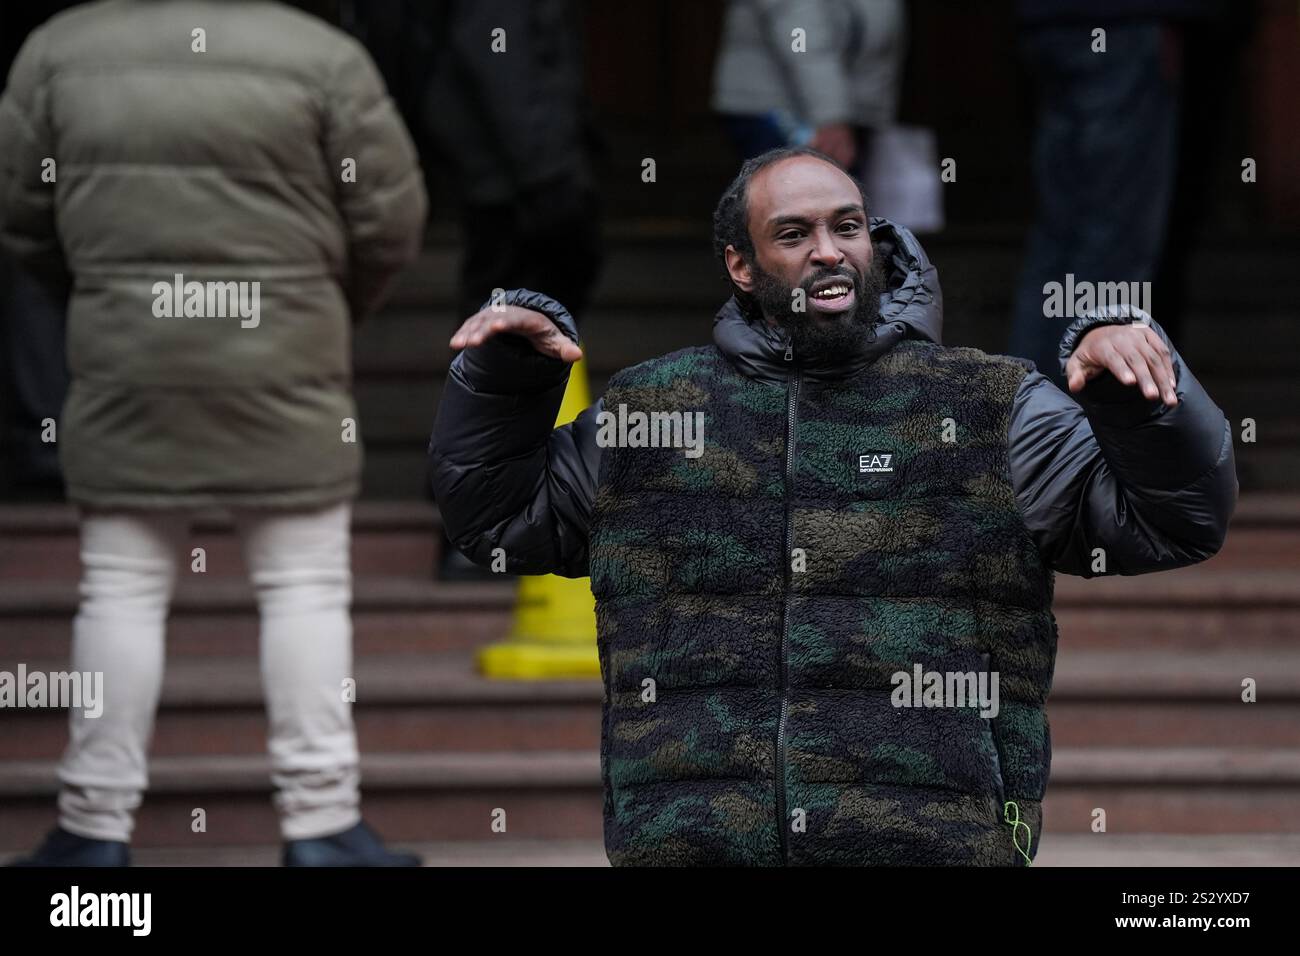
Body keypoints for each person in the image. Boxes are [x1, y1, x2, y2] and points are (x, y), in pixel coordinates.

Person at [428, 146, 1237, 865]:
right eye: (793, 235)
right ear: (741, 266)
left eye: (846, 226)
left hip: (936, 839)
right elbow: (498, 521)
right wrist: (505, 379)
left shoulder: (991, 405)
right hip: (689, 836)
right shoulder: (653, 409)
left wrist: (1141, 400)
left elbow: (1173, 521)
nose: (828, 252)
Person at [0, 0, 428, 866]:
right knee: (303, 590)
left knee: (118, 590)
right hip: (286, 364)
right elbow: (391, 221)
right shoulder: (323, 56)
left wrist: (107, 295)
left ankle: (91, 831)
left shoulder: (58, 49)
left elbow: (23, 218)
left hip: (127, 366)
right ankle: (322, 828)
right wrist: (322, 306)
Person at [712, 0, 906, 174]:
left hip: (834, 112)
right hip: (781, 112)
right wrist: (831, 116)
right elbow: (804, 44)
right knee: (804, 198)